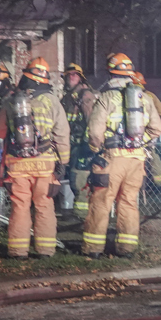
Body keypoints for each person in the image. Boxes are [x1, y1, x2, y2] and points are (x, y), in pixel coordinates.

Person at [83, 53, 161, 259]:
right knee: (129, 202)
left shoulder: (107, 97)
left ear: (111, 73)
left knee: (101, 201)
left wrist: (96, 150)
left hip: (112, 159)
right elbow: (156, 129)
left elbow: (94, 132)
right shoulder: (145, 98)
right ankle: (126, 249)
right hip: (137, 160)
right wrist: (138, 142)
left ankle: (93, 249)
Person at [0, 57, 70, 259]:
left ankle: (18, 251)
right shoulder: (52, 101)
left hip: (17, 164)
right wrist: (64, 164)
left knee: (20, 206)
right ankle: (45, 251)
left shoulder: (11, 102)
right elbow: (62, 134)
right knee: (44, 205)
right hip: (45, 164)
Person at [61, 63, 96, 218]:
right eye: (69, 74)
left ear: (81, 77)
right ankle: (80, 212)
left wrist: (89, 144)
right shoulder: (67, 97)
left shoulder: (85, 95)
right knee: (72, 176)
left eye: (75, 74)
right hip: (71, 143)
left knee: (79, 178)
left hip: (83, 144)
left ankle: (83, 215)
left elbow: (91, 120)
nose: (72, 76)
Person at [131, 71, 161, 187]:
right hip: (148, 133)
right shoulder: (149, 95)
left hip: (132, 133)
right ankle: (160, 185)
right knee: (152, 156)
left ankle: (140, 186)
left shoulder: (128, 95)